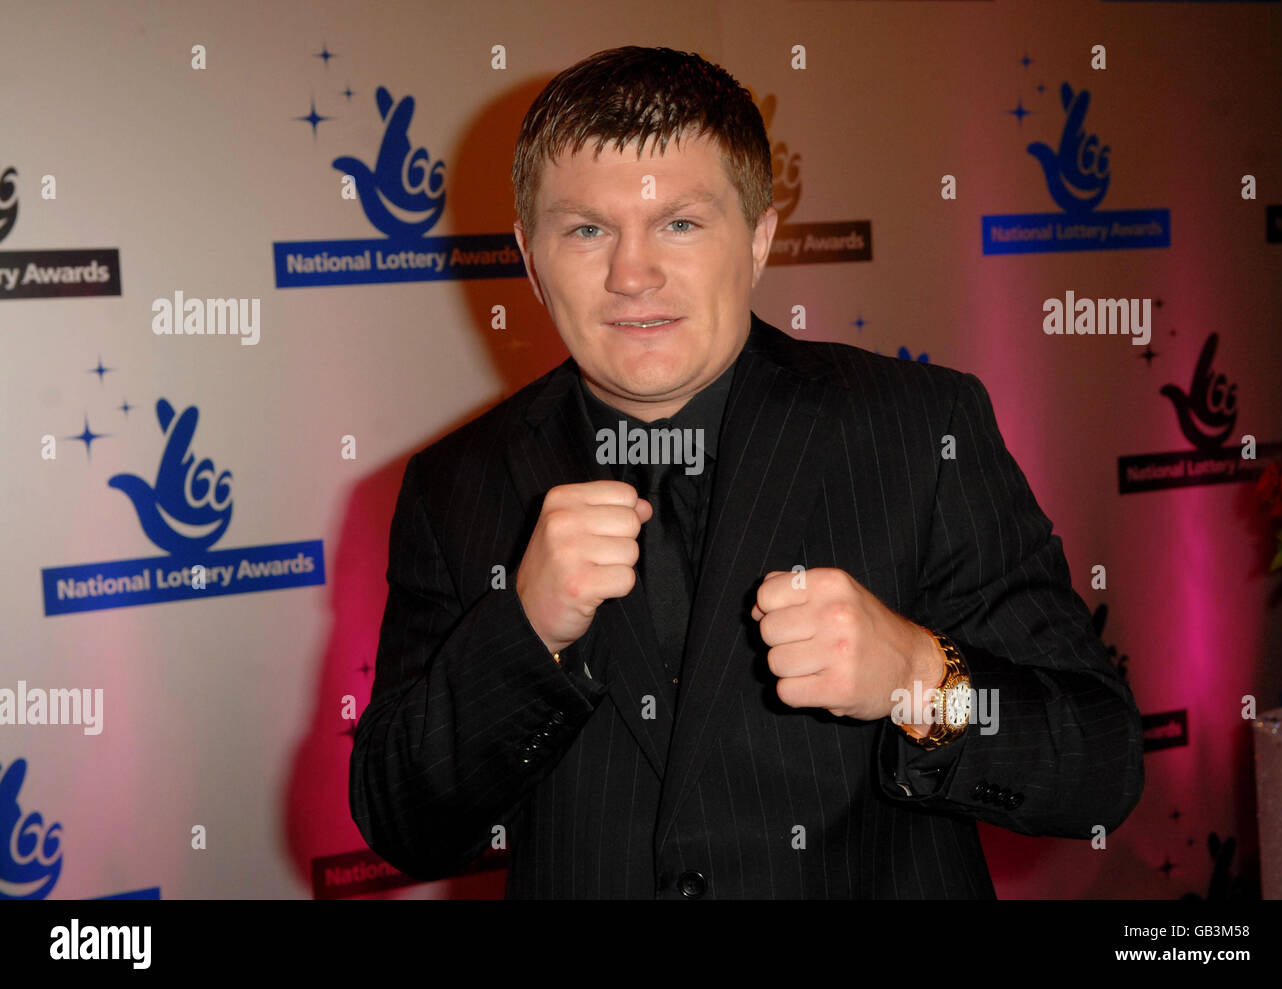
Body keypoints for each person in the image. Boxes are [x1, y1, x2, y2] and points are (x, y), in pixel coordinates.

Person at [349, 45, 1144, 899]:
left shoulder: (918, 427)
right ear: (530, 258)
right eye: (587, 230)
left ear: (759, 240)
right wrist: (524, 631)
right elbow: (404, 824)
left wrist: (920, 678)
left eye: (681, 223)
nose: (632, 273)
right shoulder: (455, 481)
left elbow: (1096, 762)